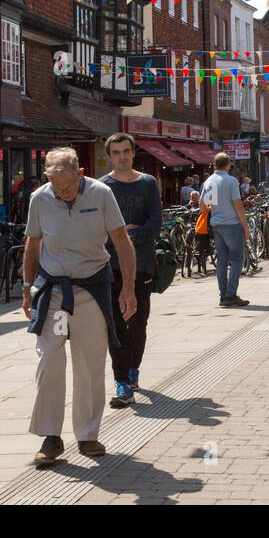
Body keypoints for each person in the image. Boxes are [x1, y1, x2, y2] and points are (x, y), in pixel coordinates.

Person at [22, 147, 136, 467]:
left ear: (81, 173)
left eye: (69, 188)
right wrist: (26, 287)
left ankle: (87, 434)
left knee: (88, 362)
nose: (64, 194)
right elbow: (33, 243)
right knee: (50, 359)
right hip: (55, 296)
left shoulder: (101, 195)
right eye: (58, 189)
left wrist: (128, 288)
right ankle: (50, 436)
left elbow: (121, 242)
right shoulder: (41, 198)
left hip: (90, 292)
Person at [101, 134, 163, 409]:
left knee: (138, 321)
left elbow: (155, 224)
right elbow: (97, 227)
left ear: (133, 153)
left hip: (142, 263)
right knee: (114, 323)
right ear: (110, 156)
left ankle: (133, 369)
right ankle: (122, 381)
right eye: (116, 152)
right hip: (109, 265)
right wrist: (119, 236)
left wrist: (127, 237)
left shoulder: (148, 184)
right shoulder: (102, 187)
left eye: (126, 151)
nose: (122, 157)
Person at [201, 152, 252, 307]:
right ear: (228, 164)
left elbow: (203, 205)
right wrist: (245, 227)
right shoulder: (231, 181)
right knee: (237, 258)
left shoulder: (209, 182)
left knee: (222, 260)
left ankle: (223, 295)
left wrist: (216, 209)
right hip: (232, 224)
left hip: (216, 224)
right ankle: (230, 294)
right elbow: (238, 205)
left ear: (214, 165)